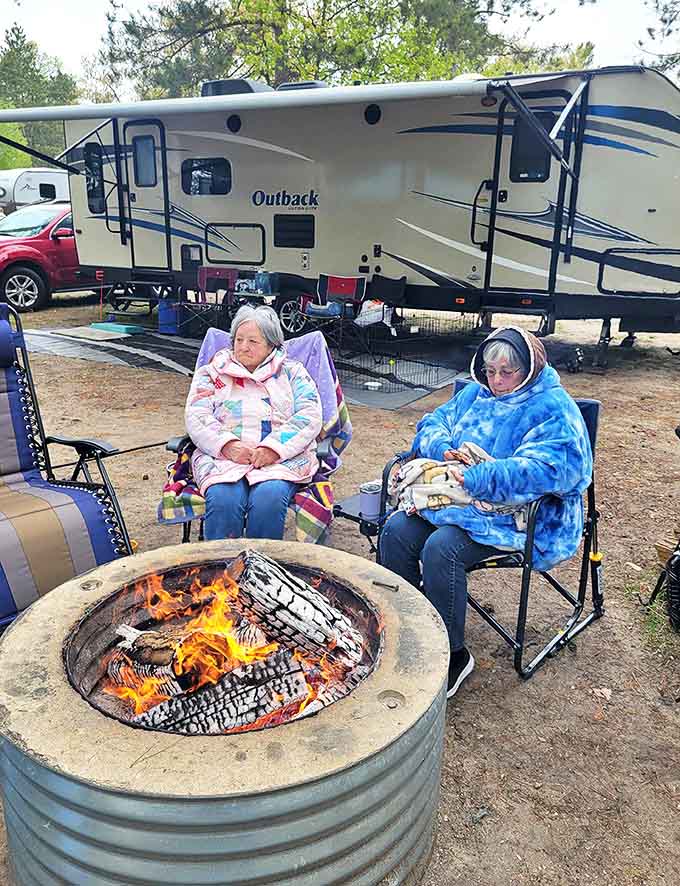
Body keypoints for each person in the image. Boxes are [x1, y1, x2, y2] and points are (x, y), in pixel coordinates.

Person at [379, 326, 592, 698]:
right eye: (490, 371)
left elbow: (558, 471)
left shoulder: (553, 407)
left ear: (529, 368)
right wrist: (442, 447)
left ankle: (454, 655)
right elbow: (432, 422)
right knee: (397, 528)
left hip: (520, 516)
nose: (496, 381)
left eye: (507, 372)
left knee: (442, 548)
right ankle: (407, 626)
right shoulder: (476, 392)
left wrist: (480, 476)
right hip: (461, 499)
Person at [185, 304, 323, 540]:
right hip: (223, 457)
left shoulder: (292, 372)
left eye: (252, 341)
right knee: (223, 498)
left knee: (268, 499)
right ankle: (222, 570)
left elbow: (309, 415)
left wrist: (272, 449)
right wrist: (227, 445)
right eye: (238, 340)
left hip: (280, 459)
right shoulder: (212, 373)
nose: (243, 347)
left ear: (271, 345)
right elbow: (197, 415)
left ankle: (263, 569)